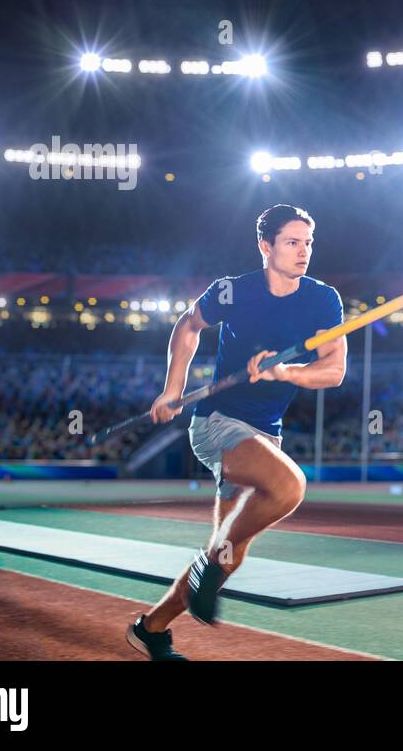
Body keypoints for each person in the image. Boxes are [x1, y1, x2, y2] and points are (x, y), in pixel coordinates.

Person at [126, 204, 347, 661]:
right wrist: (173, 390)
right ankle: (203, 571)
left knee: (229, 550)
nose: (303, 251)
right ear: (265, 246)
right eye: (292, 242)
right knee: (289, 487)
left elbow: (334, 370)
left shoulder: (323, 299)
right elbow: (189, 326)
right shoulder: (231, 291)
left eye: (308, 242)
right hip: (216, 421)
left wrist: (285, 372)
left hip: (265, 432)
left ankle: (151, 628)